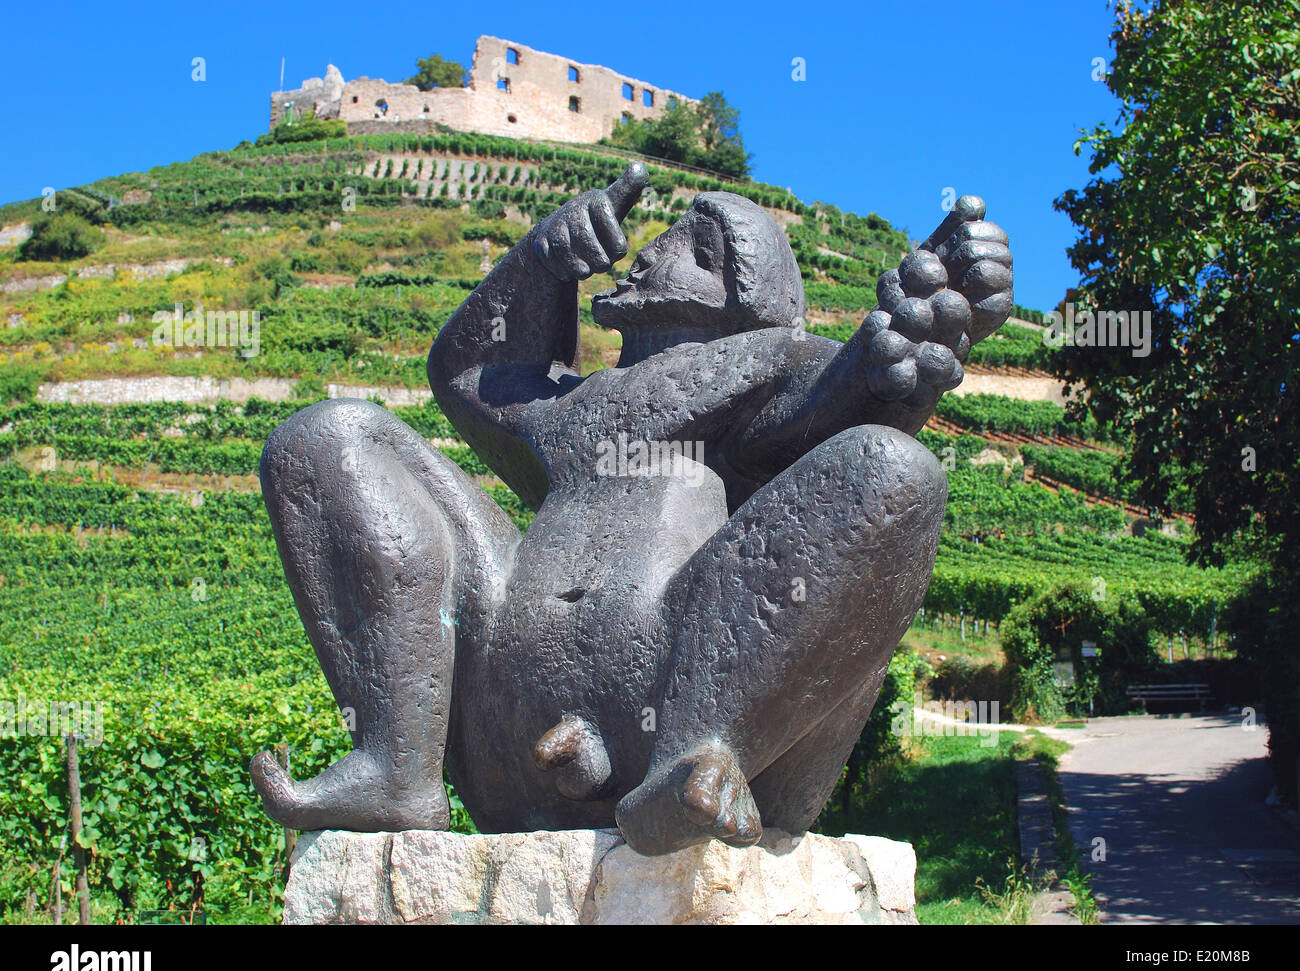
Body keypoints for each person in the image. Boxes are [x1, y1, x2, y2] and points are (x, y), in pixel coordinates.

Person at [252, 163, 1013, 854]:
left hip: (670, 724)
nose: (648, 252)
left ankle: (704, 754)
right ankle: (397, 762)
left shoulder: (768, 363)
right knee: (327, 439)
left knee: (892, 466)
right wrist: (545, 262)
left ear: (734, 292)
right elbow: (470, 374)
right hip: (499, 731)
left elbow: (833, 403)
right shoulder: (568, 405)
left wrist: (901, 346)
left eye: (690, 246)